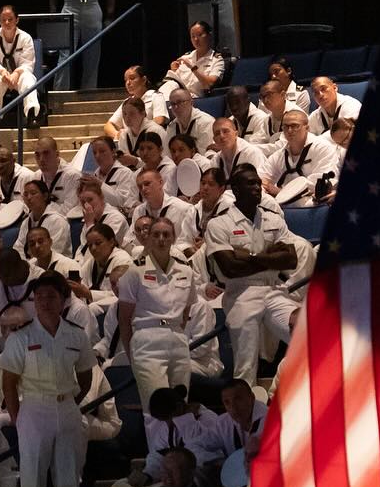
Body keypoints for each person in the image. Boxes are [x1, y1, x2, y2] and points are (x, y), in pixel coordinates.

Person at [0, 271, 95, 487]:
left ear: (64, 300)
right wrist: (18, 418)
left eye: (50, 296)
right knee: (32, 485)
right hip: (34, 409)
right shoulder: (22, 336)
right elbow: (9, 382)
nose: (43, 302)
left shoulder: (76, 334)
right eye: (38, 297)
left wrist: (69, 401)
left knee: (68, 480)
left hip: (66, 407)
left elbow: (86, 374)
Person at [205, 165, 299, 383]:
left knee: (305, 333)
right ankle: (246, 412)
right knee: (245, 364)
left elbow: (291, 259)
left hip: (275, 290)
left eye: (258, 183)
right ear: (236, 190)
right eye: (250, 183)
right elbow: (230, 268)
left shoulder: (273, 219)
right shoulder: (219, 224)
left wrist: (250, 256)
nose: (257, 187)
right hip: (241, 293)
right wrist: (270, 257)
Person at [116, 216, 198, 409]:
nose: (161, 239)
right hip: (146, 340)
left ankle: (177, 441)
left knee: (180, 406)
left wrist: (174, 330)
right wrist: (131, 354)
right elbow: (124, 319)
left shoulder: (186, 272)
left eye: (166, 235)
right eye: (156, 235)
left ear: (173, 238)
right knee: (156, 408)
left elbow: (185, 312)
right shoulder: (135, 271)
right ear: (149, 239)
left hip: (177, 338)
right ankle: (158, 441)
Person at [48, 0, 117, 90]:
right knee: (65, 54)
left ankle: (89, 93)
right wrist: (53, 13)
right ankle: (59, 95)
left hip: (91, 5)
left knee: (92, 55)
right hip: (70, 6)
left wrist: (109, 15)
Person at [0, 5, 40, 121]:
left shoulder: (26, 38)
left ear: (17, 19)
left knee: (29, 79)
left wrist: (16, 73)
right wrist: (3, 72)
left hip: (19, 76)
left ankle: (32, 115)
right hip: (2, 77)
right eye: (3, 19)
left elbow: (28, 63)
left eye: (10, 19)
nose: (7, 22)